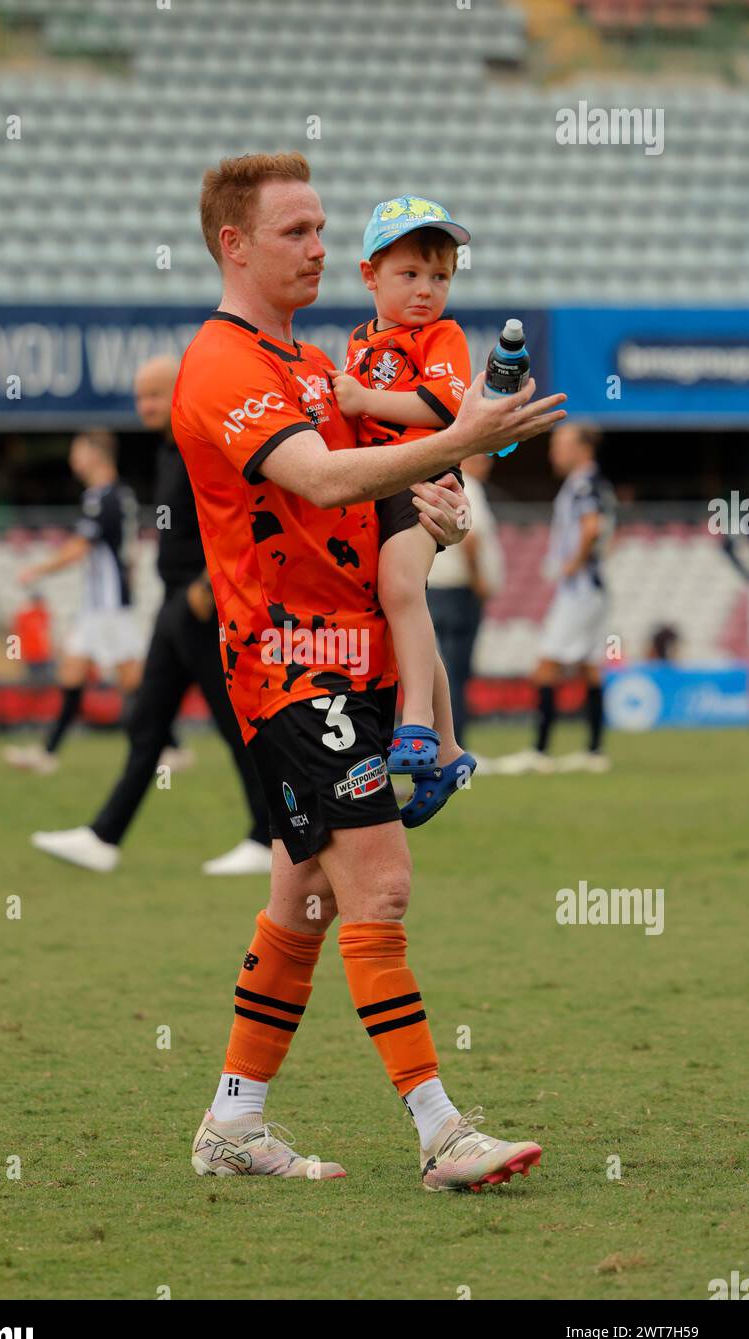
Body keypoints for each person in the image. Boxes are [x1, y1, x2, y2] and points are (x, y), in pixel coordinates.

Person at [172, 152, 566, 1189]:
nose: (316, 247)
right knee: (380, 884)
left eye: (319, 227)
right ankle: (440, 1131)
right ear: (234, 244)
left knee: (303, 899)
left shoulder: (315, 366)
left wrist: (437, 514)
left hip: (357, 658)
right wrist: (465, 432)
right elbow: (317, 472)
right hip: (296, 666)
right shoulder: (221, 364)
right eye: (296, 231)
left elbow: (366, 496)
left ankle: (234, 1120)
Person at [30, 357, 273, 876]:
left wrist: (207, 587)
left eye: (153, 396)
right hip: (174, 606)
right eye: (139, 397)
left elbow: (244, 514)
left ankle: (268, 835)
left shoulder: (202, 446)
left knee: (235, 723)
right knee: (147, 722)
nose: (143, 407)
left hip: (202, 608)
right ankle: (104, 837)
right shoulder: (167, 450)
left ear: (179, 392)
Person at [330, 195, 479, 824]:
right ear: (370, 274)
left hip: (424, 479)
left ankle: (413, 723)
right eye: (409, 274)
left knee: (399, 589)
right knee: (399, 605)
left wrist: (362, 398)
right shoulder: (360, 339)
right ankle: (448, 752)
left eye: (440, 276)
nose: (426, 290)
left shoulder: (443, 335)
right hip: (374, 487)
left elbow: (447, 407)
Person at [3, 430, 142, 773]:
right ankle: (48, 753)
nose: (72, 460)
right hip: (99, 606)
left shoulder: (103, 498)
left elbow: (80, 548)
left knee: (133, 682)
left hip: (108, 606)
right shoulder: (118, 495)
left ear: (97, 454)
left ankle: (169, 746)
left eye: (78, 452)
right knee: (73, 672)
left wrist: (38, 569)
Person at [495, 423, 616, 776]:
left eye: (562, 445)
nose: (555, 452)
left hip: (578, 590)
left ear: (583, 449)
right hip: (593, 588)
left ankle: (540, 750)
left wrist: (570, 565)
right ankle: (594, 751)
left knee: (545, 666)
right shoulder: (596, 483)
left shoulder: (582, 485)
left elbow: (592, 528)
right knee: (590, 667)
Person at [427, 453, 504, 749]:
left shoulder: (443, 482)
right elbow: (470, 539)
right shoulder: (467, 486)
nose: (488, 462)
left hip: (439, 589)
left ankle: (441, 741)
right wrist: (478, 580)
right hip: (458, 591)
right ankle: (454, 743)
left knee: (445, 668)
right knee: (456, 671)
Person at [13, 592, 54, 683]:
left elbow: (47, 633)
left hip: (43, 655)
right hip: (30, 654)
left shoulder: (43, 615)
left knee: (47, 680)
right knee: (32, 681)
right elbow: (16, 635)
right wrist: (17, 653)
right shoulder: (24, 616)